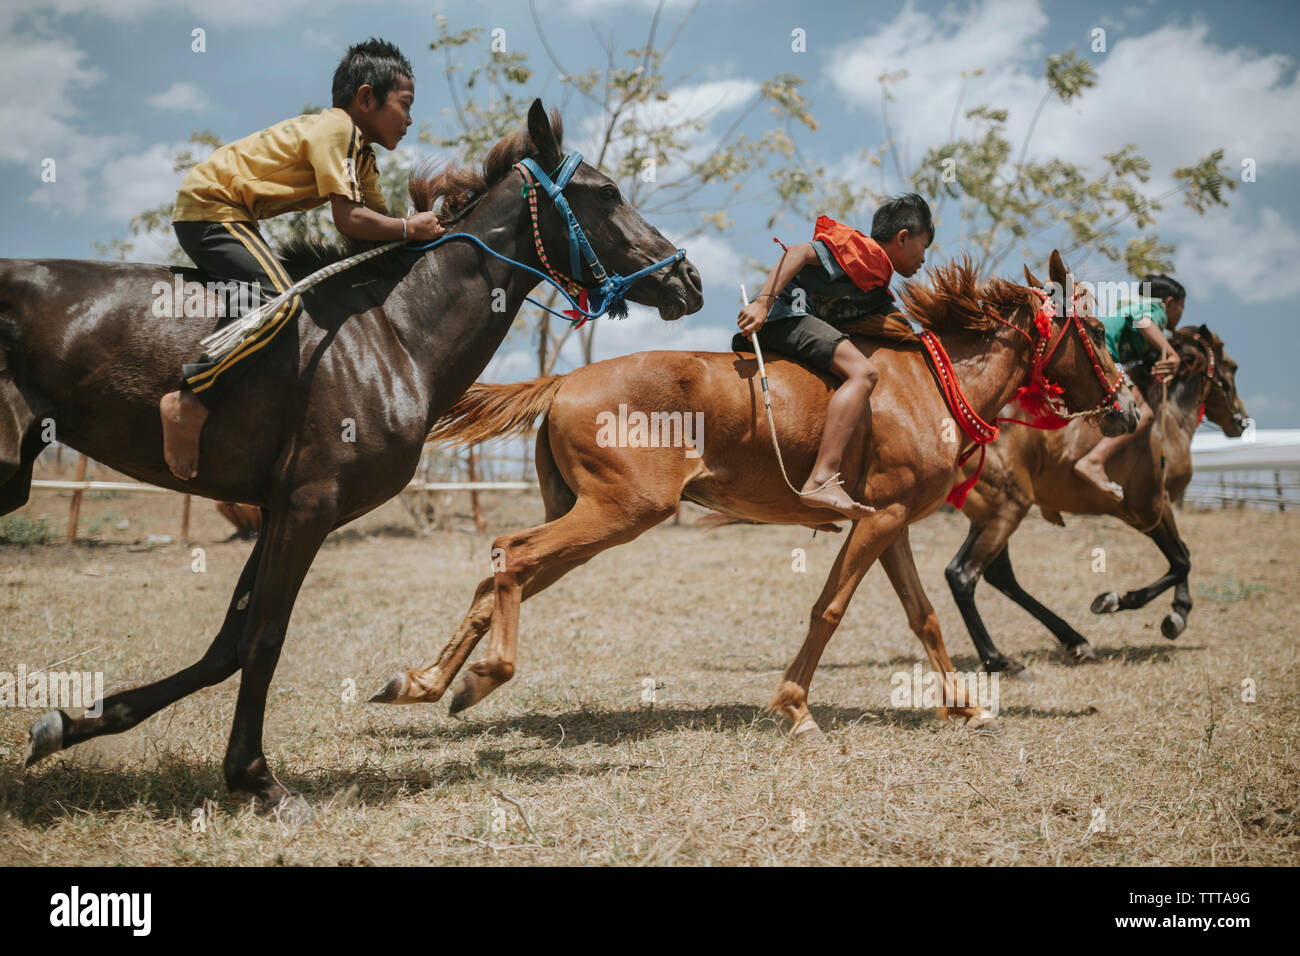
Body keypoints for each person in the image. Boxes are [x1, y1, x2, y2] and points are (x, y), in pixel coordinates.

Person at [159, 37, 445, 480]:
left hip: (237, 215)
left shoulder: (362, 156)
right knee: (280, 297)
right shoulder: (338, 129)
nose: (410, 120)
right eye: (404, 105)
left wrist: (424, 240)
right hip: (211, 208)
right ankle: (191, 399)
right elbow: (350, 219)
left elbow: (377, 231)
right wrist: (411, 228)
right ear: (366, 97)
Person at [733, 194, 932, 519]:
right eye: (924, 247)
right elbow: (797, 251)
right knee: (863, 374)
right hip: (784, 316)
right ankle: (822, 477)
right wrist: (763, 302)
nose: (925, 258)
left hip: (792, 324)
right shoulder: (865, 253)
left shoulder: (878, 286)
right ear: (903, 237)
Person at [1073, 274, 1185, 500]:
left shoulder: (1136, 307)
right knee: (1146, 413)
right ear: (1170, 303)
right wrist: (1173, 354)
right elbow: (1143, 321)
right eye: (1182, 307)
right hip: (1106, 354)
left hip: (1103, 354)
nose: (1181, 314)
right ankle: (1094, 461)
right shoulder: (1153, 310)